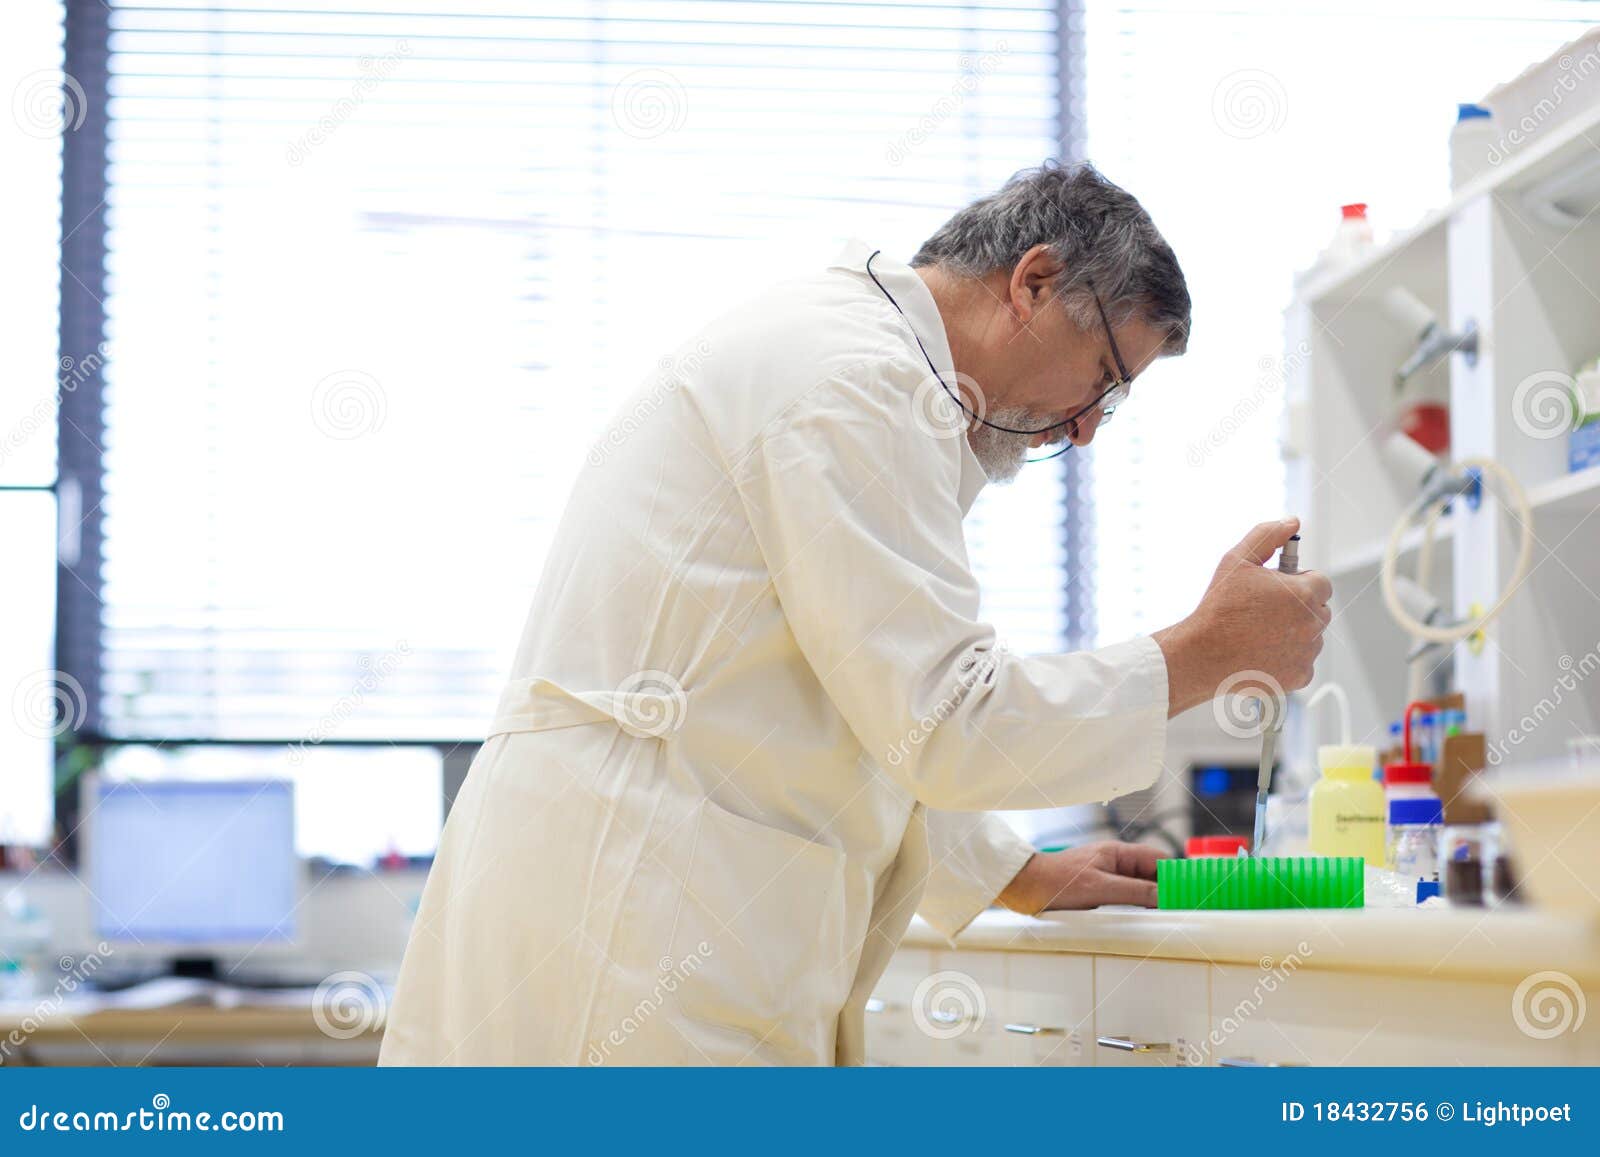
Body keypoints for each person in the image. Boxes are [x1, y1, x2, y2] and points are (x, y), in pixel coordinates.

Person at [379, 162, 1332, 1066]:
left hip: (640, 908)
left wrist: (1010, 869)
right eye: (1104, 376)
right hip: (631, 925)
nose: (1085, 428)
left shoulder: (855, 363)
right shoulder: (855, 381)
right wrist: (1203, 654)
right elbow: (946, 717)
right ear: (1034, 282)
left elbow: (863, 711)